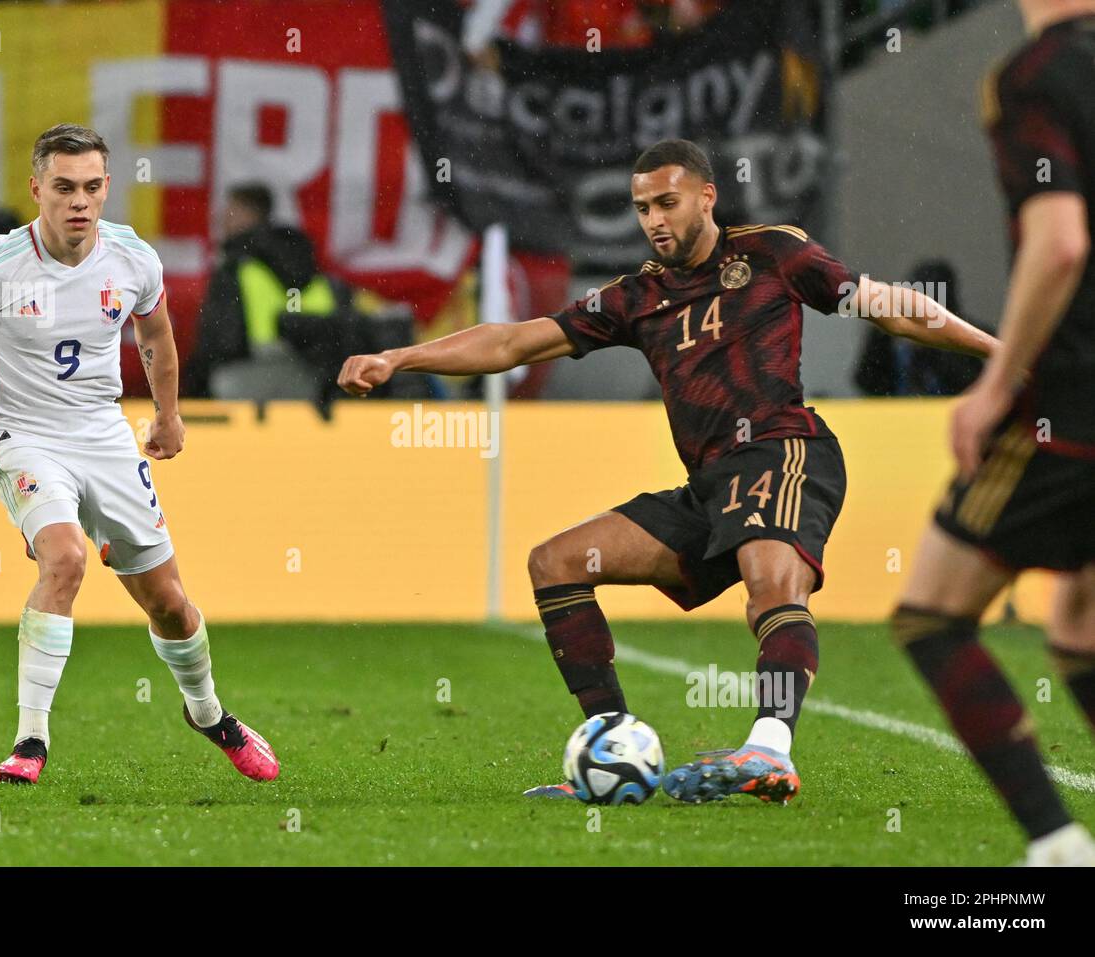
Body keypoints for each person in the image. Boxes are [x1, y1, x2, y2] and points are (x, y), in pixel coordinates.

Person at [340, 138, 996, 803]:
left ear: (706, 197)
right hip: (708, 487)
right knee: (556, 561)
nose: (653, 219)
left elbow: (889, 304)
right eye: (641, 207)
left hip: (783, 449)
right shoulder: (638, 297)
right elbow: (512, 340)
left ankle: (768, 750)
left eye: (666, 202)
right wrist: (399, 358)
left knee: (770, 582)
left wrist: (1001, 356)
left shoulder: (772, 253)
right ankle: (609, 747)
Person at [0, 124, 279, 785]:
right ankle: (31, 739)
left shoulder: (132, 258)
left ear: (107, 188)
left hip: (104, 436)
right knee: (66, 556)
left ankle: (209, 712)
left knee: (170, 604)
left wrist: (168, 412)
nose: (80, 201)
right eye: (65, 187)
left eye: (93, 187)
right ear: (37, 189)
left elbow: (155, 328)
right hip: (23, 434)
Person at [892, 0, 1095, 866]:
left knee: (930, 612)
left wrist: (997, 383)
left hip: (1075, 402)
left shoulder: (1033, 75)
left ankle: (1055, 843)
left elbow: (1059, 245)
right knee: (1082, 630)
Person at [184, 183, 334, 398]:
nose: (222, 219)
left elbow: (223, 337)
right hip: (309, 375)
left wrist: (197, 383)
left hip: (248, 375)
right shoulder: (303, 258)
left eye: (230, 210)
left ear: (248, 214)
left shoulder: (237, 266)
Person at [853, 260, 983, 396]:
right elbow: (866, 383)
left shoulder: (966, 340)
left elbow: (969, 384)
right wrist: (881, 337)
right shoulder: (887, 335)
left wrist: (935, 344)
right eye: (912, 304)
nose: (917, 316)